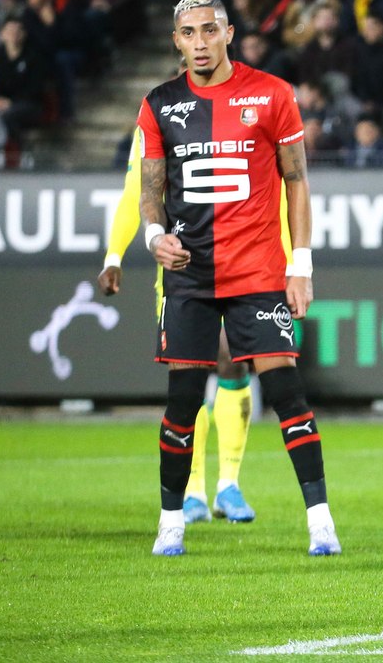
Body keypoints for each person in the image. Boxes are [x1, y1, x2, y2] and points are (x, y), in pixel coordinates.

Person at [135, 0, 337, 558]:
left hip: (258, 272)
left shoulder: (272, 94)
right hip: (191, 278)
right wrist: (155, 238)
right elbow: (153, 190)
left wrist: (301, 265)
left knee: (287, 391)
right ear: (177, 41)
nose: (199, 42)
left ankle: (321, 521)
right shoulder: (158, 105)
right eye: (188, 33)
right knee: (181, 402)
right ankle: (170, 523)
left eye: (209, 30)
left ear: (229, 32)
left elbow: (297, 182)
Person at [100, 123, 267, 525]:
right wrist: (113, 256)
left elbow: (272, 188)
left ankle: (229, 484)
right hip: (180, 273)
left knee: (234, 360)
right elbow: (135, 193)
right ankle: (193, 490)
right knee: (188, 376)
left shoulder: (237, 114)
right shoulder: (156, 120)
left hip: (235, 264)